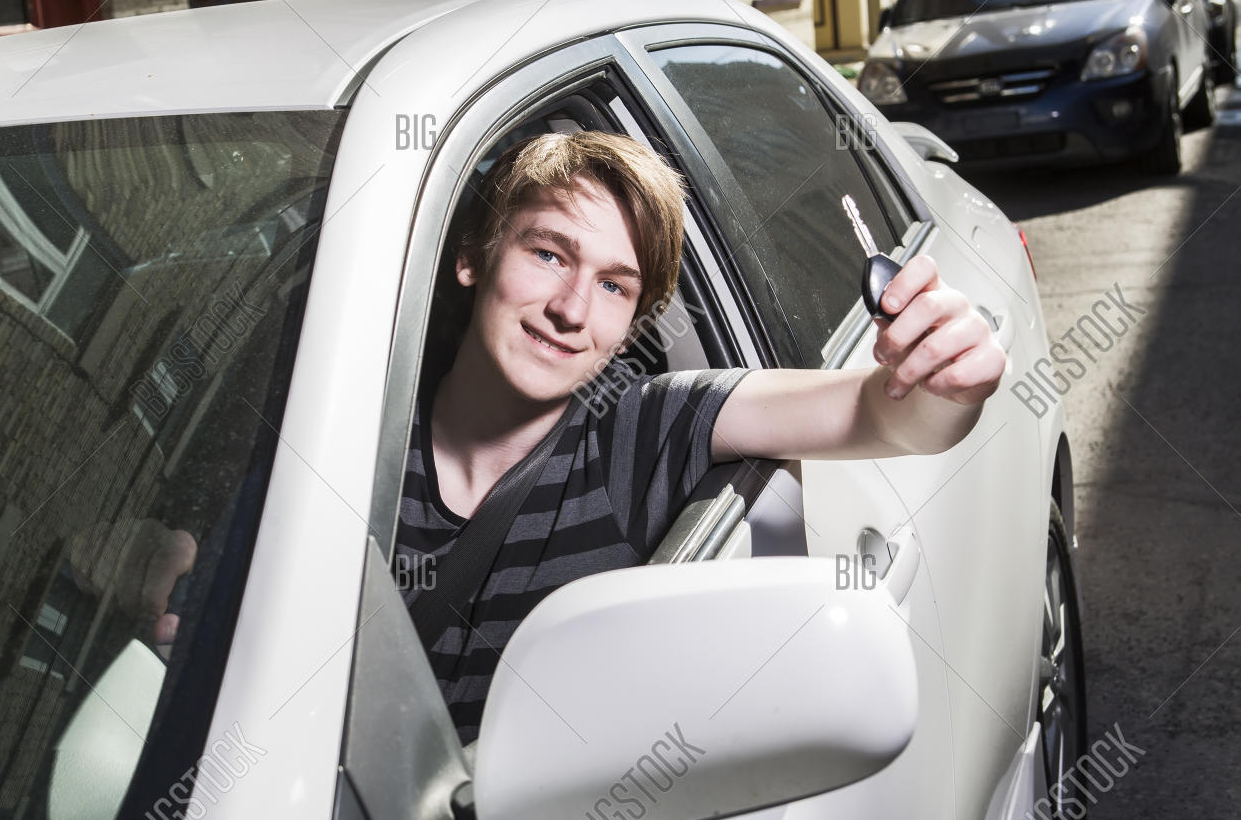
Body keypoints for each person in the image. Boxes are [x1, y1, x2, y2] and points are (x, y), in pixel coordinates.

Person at [392, 130, 1005, 743]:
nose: (572, 310)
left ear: (631, 328)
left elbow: (879, 416)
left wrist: (945, 381)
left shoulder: (634, 435)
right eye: (549, 254)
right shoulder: (350, 443)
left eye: (613, 286)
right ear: (473, 255)